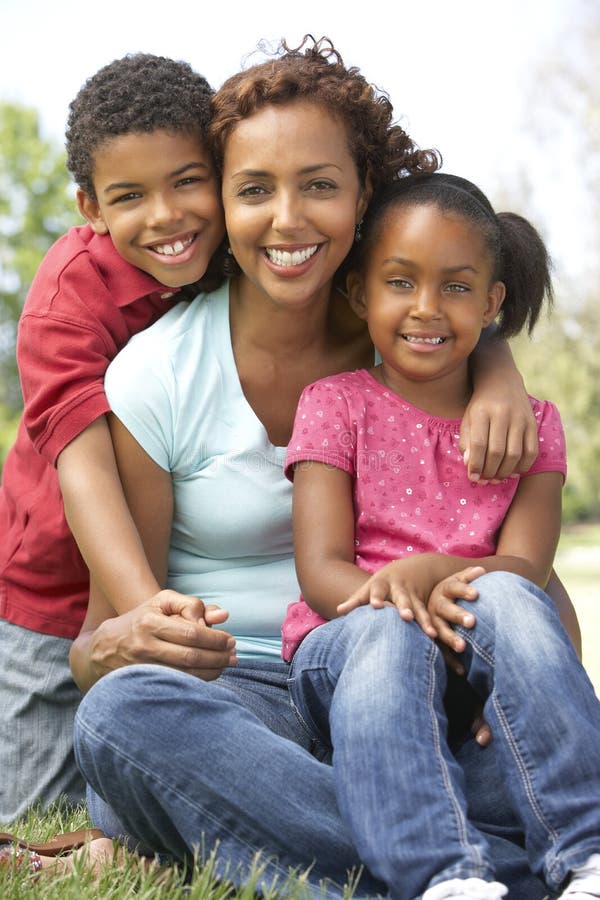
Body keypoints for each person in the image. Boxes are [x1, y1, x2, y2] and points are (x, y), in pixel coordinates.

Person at [65, 38, 569, 897]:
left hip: (406, 680)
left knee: (489, 720)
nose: (288, 219)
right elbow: (99, 643)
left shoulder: (416, 336)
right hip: (247, 695)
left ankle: (404, 847)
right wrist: (116, 647)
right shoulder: (157, 377)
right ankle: (465, 863)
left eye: (322, 186)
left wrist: (496, 359)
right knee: (121, 716)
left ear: (364, 194)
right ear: (222, 201)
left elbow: (531, 584)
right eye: (255, 189)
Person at [282, 173, 600, 900]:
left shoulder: (535, 426)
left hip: (474, 663)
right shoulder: (334, 406)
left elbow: (526, 567)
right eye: (400, 282)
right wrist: (398, 595)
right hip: (349, 653)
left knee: (516, 597)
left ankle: (588, 853)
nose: (426, 308)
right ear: (362, 294)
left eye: (456, 288)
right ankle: (442, 877)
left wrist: (432, 570)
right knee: (388, 633)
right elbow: (321, 573)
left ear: (492, 305)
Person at [0, 52, 225, 822]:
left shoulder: (242, 249)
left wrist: (493, 360)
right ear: (90, 205)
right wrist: (146, 612)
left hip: (194, 568)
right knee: (40, 820)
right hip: (55, 595)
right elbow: (87, 473)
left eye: (188, 181)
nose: (167, 215)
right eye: (131, 196)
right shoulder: (66, 301)